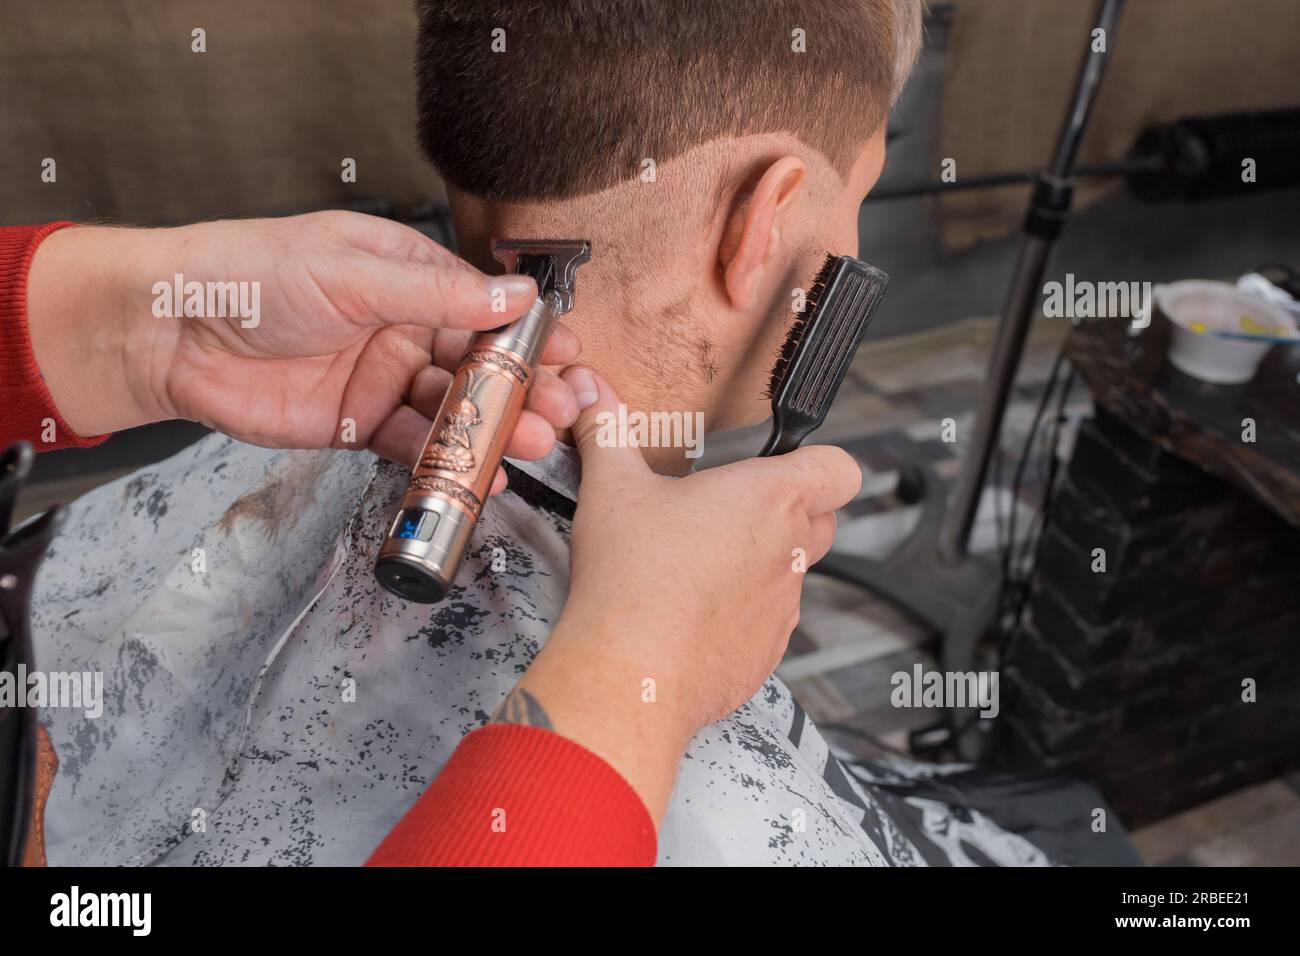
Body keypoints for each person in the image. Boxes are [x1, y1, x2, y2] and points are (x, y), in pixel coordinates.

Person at [25, 0, 1136, 866]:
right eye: (861, 187)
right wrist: (637, 670)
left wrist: (132, 325)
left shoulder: (238, 430)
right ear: (764, 222)